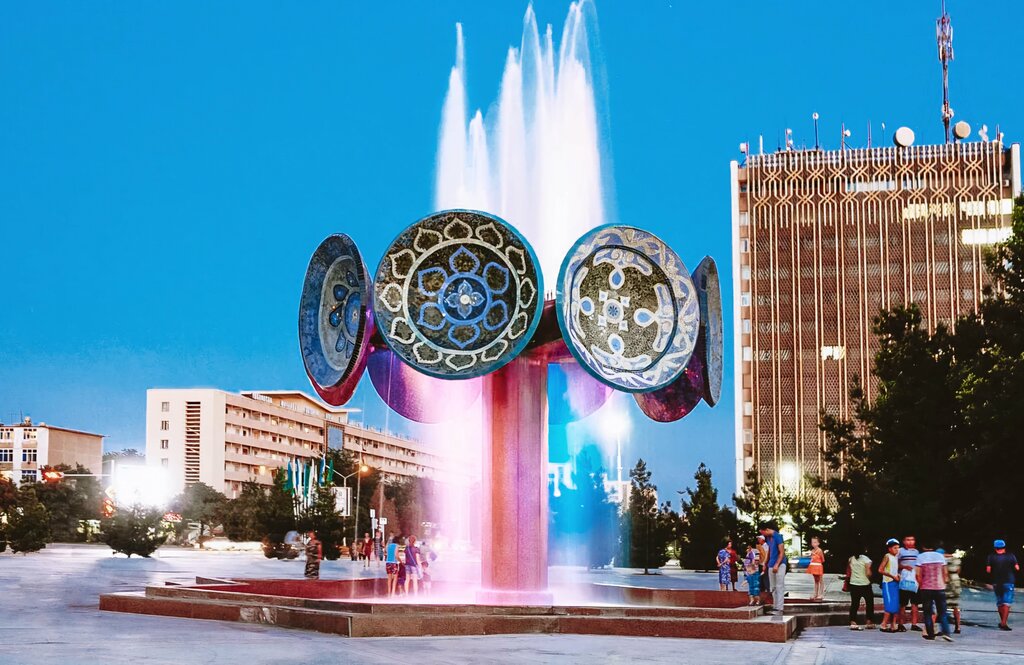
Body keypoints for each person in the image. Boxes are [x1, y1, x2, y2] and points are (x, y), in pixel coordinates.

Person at [917, 541, 953, 641]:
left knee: (928, 612)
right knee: (942, 612)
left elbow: (918, 574)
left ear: (923, 547)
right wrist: (944, 583)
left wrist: (920, 585)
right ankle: (946, 632)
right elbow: (945, 573)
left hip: (926, 588)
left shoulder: (920, 557)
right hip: (939, 587)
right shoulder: (940, 556)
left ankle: (930, 634)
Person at [987, 539, 1019, 631]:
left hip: (996, 581)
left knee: (1000, 603)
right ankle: (1003, 623)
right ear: (1004, 547)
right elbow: (1017, 568)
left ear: (995, 548)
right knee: (1007, 603)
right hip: (1009, 580)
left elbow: (988, 570)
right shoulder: (1011, 556)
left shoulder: (991, 556)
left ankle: (1002, 622)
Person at [759, 522, 788, 615]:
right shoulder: (768, 538)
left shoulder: (778, 536)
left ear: (767, 529)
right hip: (771, 564)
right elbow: (769, 551)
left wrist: (777, 564)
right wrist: (765, 563)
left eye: (763, 532)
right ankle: (775, 607)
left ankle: (780, 608)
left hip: (780, 564)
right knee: (773, 587)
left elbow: (781, 552)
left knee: (779, 586)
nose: (763, 535)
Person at [846, 545, 876, 630]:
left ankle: (853, 622)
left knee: (854, 604)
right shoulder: (866, 559)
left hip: (854, 584)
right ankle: (869, 622)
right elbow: (868, 573)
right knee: (869, 603)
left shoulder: (851, 559)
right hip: (865, 584)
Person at [898, 535, 922, 632]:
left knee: (915, 603)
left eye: (912, 540)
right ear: (904, 541)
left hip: (914, 581)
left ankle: (914, 624)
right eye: (908, 540)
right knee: (902, 604)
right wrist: (904, 567)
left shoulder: (916, 552)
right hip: (904, 580)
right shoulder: (900, 551)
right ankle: (901, 624)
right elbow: (896, 564)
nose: (910, 542)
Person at [879, 538, 902, 632]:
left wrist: (898, 575)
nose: (897, 550)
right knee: (889, 605)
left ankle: (893, 624)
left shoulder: (896, 557)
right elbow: (880, 570)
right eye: (895, 548)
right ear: (889, 549)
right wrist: (892, 576)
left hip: (895, 583)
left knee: (896, 604)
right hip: (888, 583)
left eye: (898, 548)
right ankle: (883, 624)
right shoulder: (887, 556)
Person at [943, 548, 962, 634]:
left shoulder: (942, 559)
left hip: (946, 582)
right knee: (955, 605)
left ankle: (944, 626)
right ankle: (958, 626)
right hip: (955, 581)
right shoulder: (957, 560)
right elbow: (958, 571)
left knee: (942, 605)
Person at [807, 536, 825, 601]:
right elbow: (812, 559)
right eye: (812, 542)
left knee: (820, 580)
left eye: (815, 542)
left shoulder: (819, 550)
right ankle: (815, 593)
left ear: (818, 543)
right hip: (813, 566)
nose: (813, 544)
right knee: (816, 580)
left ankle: (821, 594)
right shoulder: (812, 551)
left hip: (818, 566)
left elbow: (823, 559)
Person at [757, 534, 772, 607]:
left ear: (763, 540)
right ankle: (762, 589)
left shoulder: (766, 546)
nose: (758, 540)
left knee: (765, 578)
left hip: (765, 564)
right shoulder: (760, 546)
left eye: (759, 539)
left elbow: (766, 556)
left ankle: (768, 591)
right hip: (760, 564)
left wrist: (764, 564)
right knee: (761, 578)